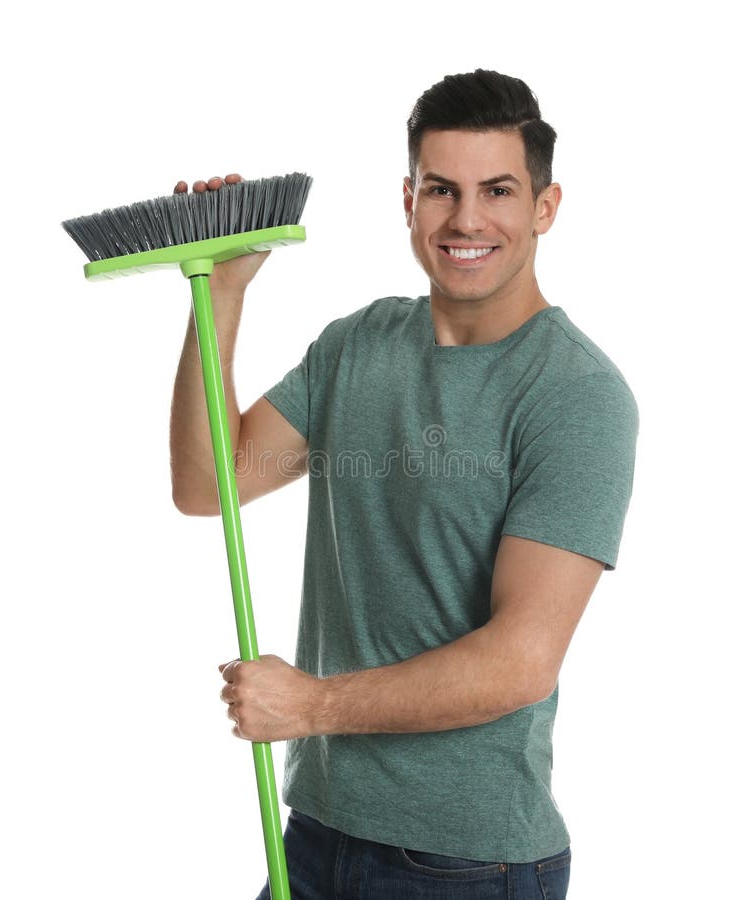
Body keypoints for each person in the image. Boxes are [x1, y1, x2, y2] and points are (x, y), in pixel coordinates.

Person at [170, 70, 638, 900]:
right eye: (440, 190)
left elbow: (520, 661)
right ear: (408, 200)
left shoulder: (575, 395)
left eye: (497, 190)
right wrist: (222, 291)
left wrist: (310, 706)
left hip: (464, 865)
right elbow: (209, 485)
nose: (465, 220)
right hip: (314, 834)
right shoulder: (358, 345)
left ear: (545, 206)